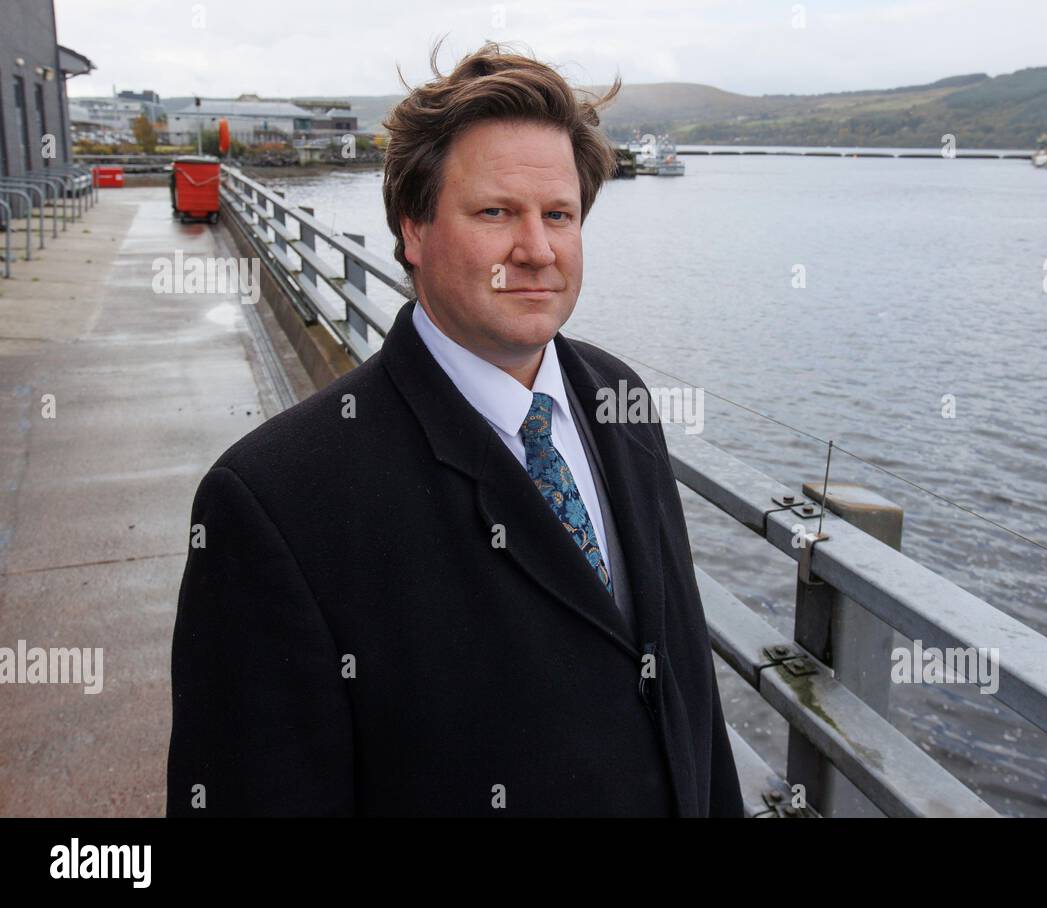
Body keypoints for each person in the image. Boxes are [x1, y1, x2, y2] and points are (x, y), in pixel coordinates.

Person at [165, 39, 744, 817]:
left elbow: (685, 691)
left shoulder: (621, 400)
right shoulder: (276, 502)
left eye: (559, 215)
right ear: (413, 228)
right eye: (496, 212)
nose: (536, 250)